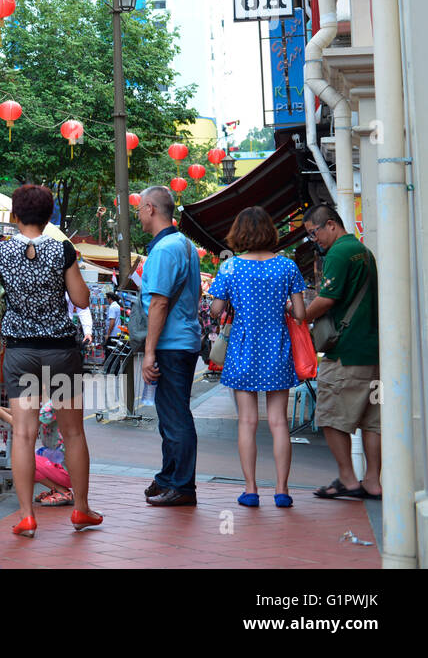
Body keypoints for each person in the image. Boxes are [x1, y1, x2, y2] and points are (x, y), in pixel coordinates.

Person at [0, 184, 102, 537]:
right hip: (60, 351)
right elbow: (81, 299)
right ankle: (80, 509)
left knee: (23, 433)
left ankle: (27, 515)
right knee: (73, 432)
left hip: (20, 352)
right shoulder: (62, 249)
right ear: (49, 217)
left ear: (14, 216)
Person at [207, 207, 307, 508]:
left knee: (247, 422)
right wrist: (285, 306)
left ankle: (250, 490)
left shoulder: (231, 268)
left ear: (239, 234)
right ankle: (282, 490)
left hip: (242, 350)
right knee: (278, 423)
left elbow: (215, 310)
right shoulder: (287, 267)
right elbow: (300, 314)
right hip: (277, 349)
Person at [302, 204, 381, 500]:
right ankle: (373, 481)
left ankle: (348, 479)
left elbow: (327, 299)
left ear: (331, 225)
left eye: (315, 233)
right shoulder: (365, 252)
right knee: (374, 421)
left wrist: (301, 316)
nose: (315, 240)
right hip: (374, 355)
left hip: (346, 354)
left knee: (330, 416)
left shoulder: (339, 253)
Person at [137, 185, 204, 507]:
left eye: (139, 208)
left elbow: (160, 303)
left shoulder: (164, 250)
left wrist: (149, 352)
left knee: (175, 417)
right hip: (184, 339)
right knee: (171, 415)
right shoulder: (186, 245)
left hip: (171, 344)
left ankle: (182, 485)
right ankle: (169, 477)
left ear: (151, 208)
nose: (138, 215)